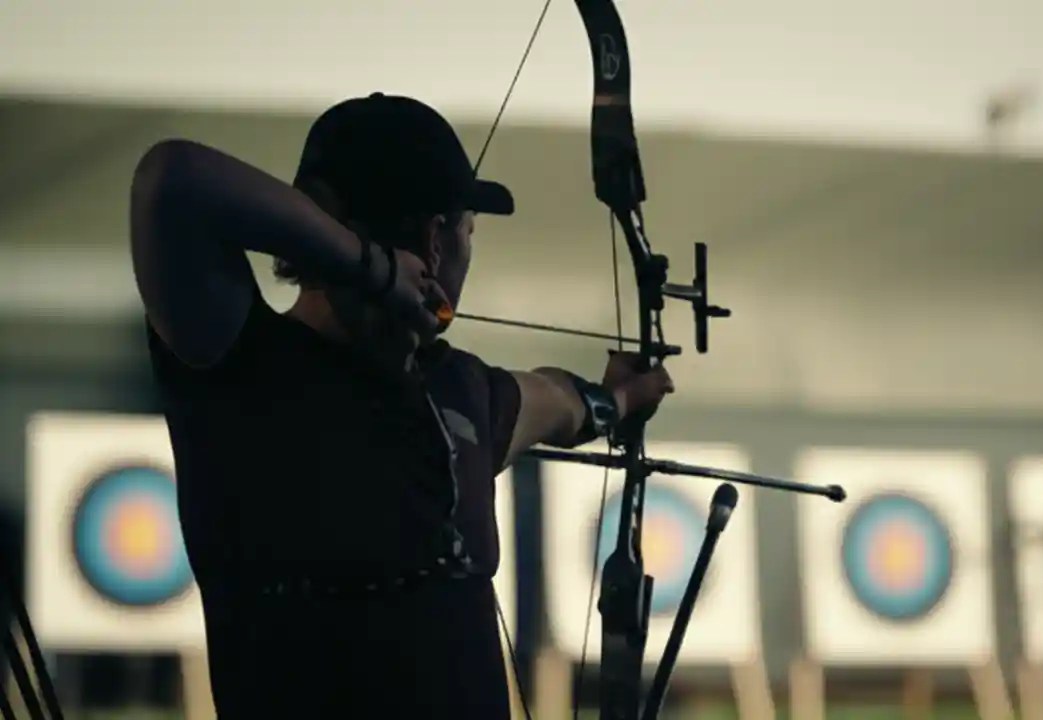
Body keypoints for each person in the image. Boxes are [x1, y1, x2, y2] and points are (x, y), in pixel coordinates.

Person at [129, 92, 674, 719]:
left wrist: (620, 397)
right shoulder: (239, 361)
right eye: (467, 231)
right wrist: (373, 269)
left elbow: (561, 401)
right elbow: (169, 178)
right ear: (436, 241)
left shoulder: (463, 393)